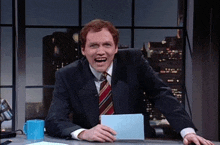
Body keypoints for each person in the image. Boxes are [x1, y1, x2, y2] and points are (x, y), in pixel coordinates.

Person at [45, 19, 214, 145]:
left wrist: (187, 131)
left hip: (139, 142)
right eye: (94, 45)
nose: (101, 51)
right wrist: (83, 133)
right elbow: (54, 119)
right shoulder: (68, 75)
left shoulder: (133, 61)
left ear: (116, 48)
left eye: (107, 45)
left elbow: (161, 94)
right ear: (83, 50)